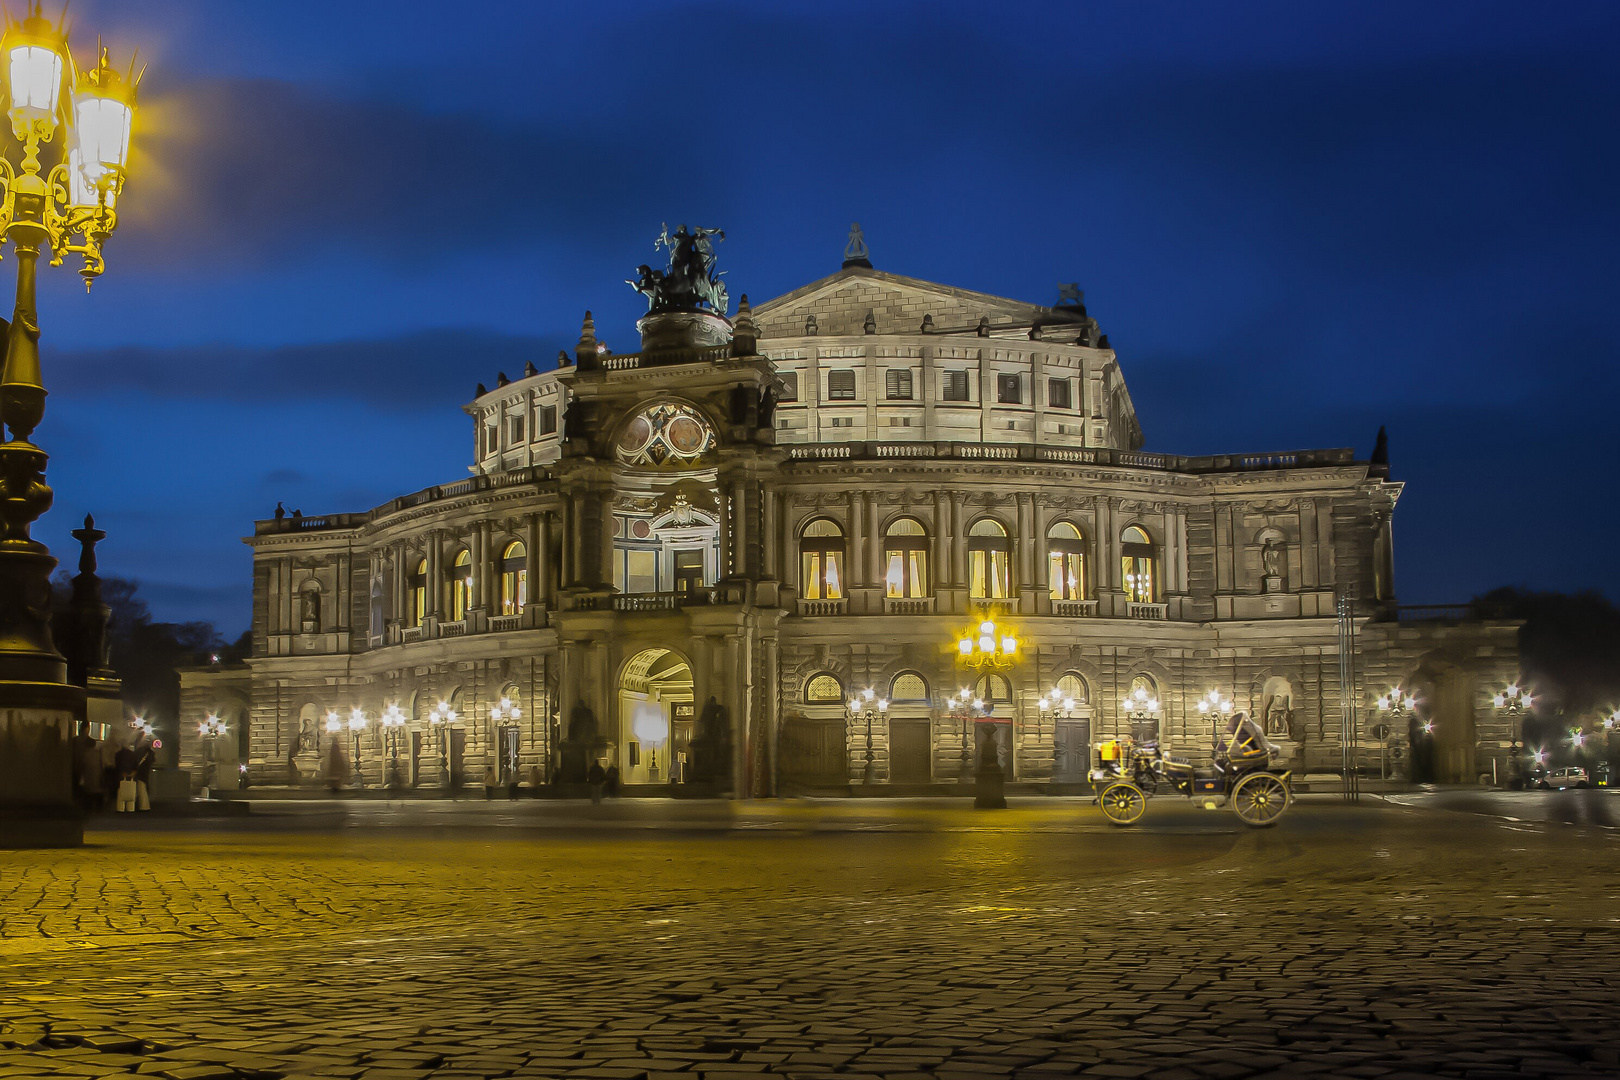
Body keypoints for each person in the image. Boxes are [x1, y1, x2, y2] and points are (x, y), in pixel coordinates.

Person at [113, 742, 139, 813]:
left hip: (121, 776)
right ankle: (130, 808)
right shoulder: (133, 754)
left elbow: (116, 766)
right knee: (131, 794)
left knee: (120, 794)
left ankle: (120, 809)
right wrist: (132, 773)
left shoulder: (118, 754)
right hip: (131, 777)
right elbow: (136, 766)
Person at [133, 739, 156, 811]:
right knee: (143, 788)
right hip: (146, 772)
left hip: (140, 772)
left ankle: (143, 806)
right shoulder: (151, 753)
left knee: (141, 789)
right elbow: (153, 760)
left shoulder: (140, 751)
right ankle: (145, 805)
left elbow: (136, 760)